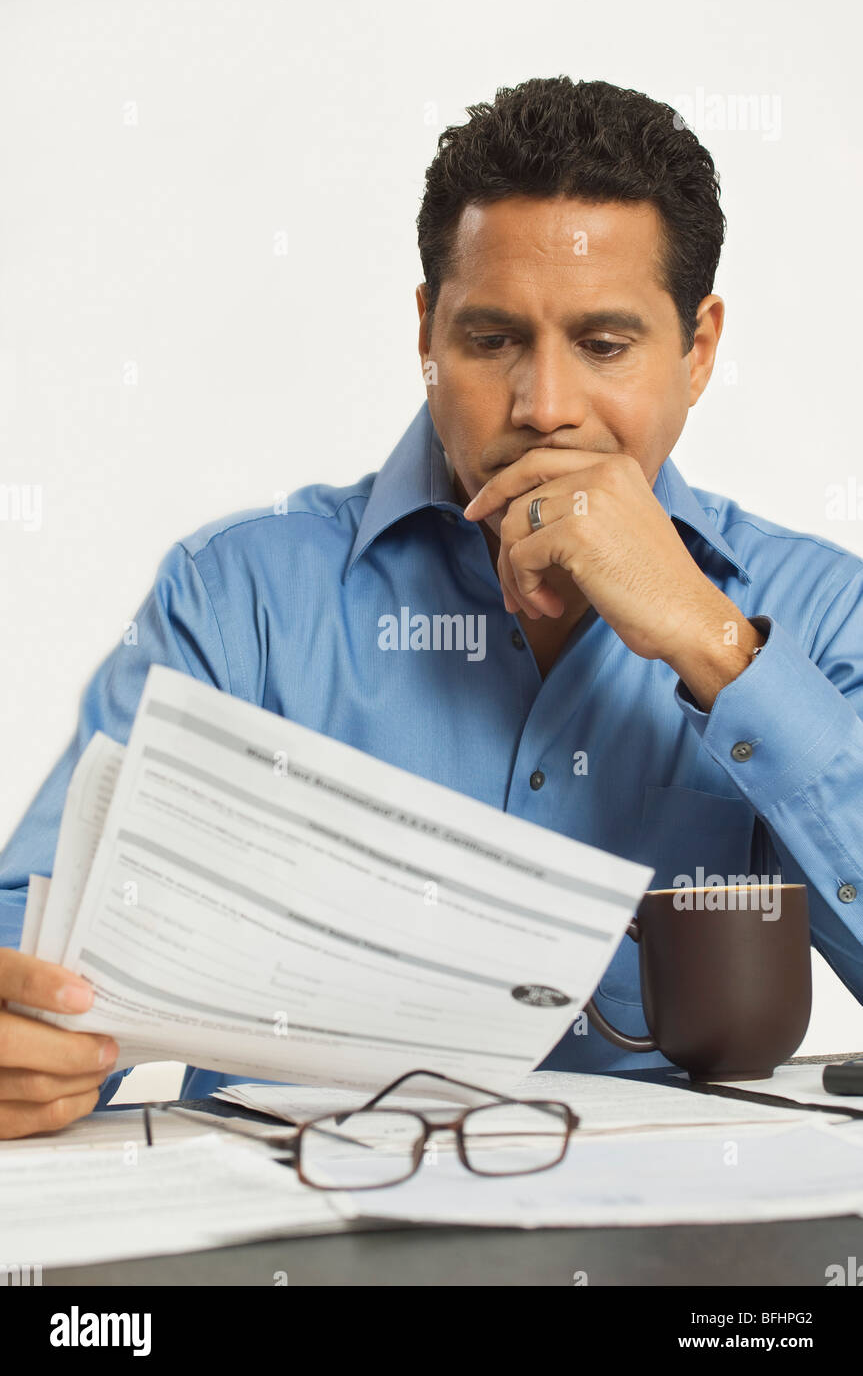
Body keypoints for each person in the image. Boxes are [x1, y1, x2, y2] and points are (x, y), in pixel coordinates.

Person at [1, 76, 861, 1141]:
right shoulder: (242, 599)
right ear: (425, 332)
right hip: (293, 1231)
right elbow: (38, 947)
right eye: (492, 338)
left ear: (696, 348)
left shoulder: (813, 615)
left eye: (602, 344)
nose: (543, 404)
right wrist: (30, 1047)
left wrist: (714, 647)